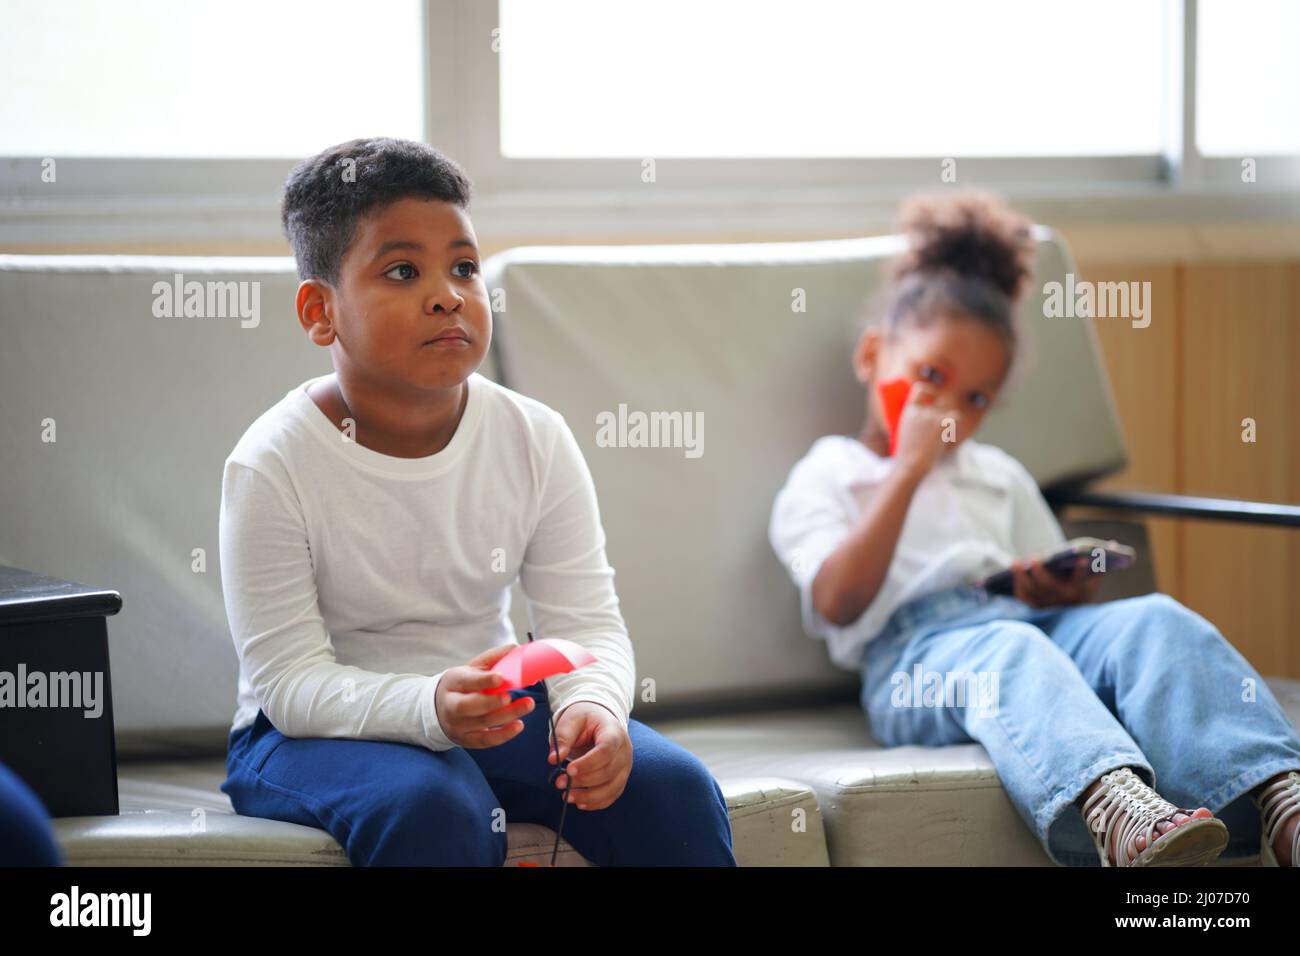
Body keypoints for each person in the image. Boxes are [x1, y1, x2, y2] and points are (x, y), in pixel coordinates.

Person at [218, 137, 735, 866]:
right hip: (305, 732)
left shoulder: (534, 436)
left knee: (671, 787)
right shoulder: (272, 464)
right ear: (320, 312)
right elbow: (291, 683)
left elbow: (586, 625)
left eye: (464, 267)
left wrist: (593, 706)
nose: (447, 294)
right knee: (435, 808)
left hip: (493, 712)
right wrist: (430, 706)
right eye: (403, 271)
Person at [768, 190, 1300, 867]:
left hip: (1027, 623)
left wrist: (1058, 585)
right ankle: (1117, 811)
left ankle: (1278, 800)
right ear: (874, 357)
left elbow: (1062, 600)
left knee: (1156, 620)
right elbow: (835, 599)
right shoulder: (831, 472)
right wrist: (908, 471)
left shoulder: (998, 474)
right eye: (931, 376)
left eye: (977, 397)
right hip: (916, 658)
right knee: (1008, 650)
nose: (952, 409)